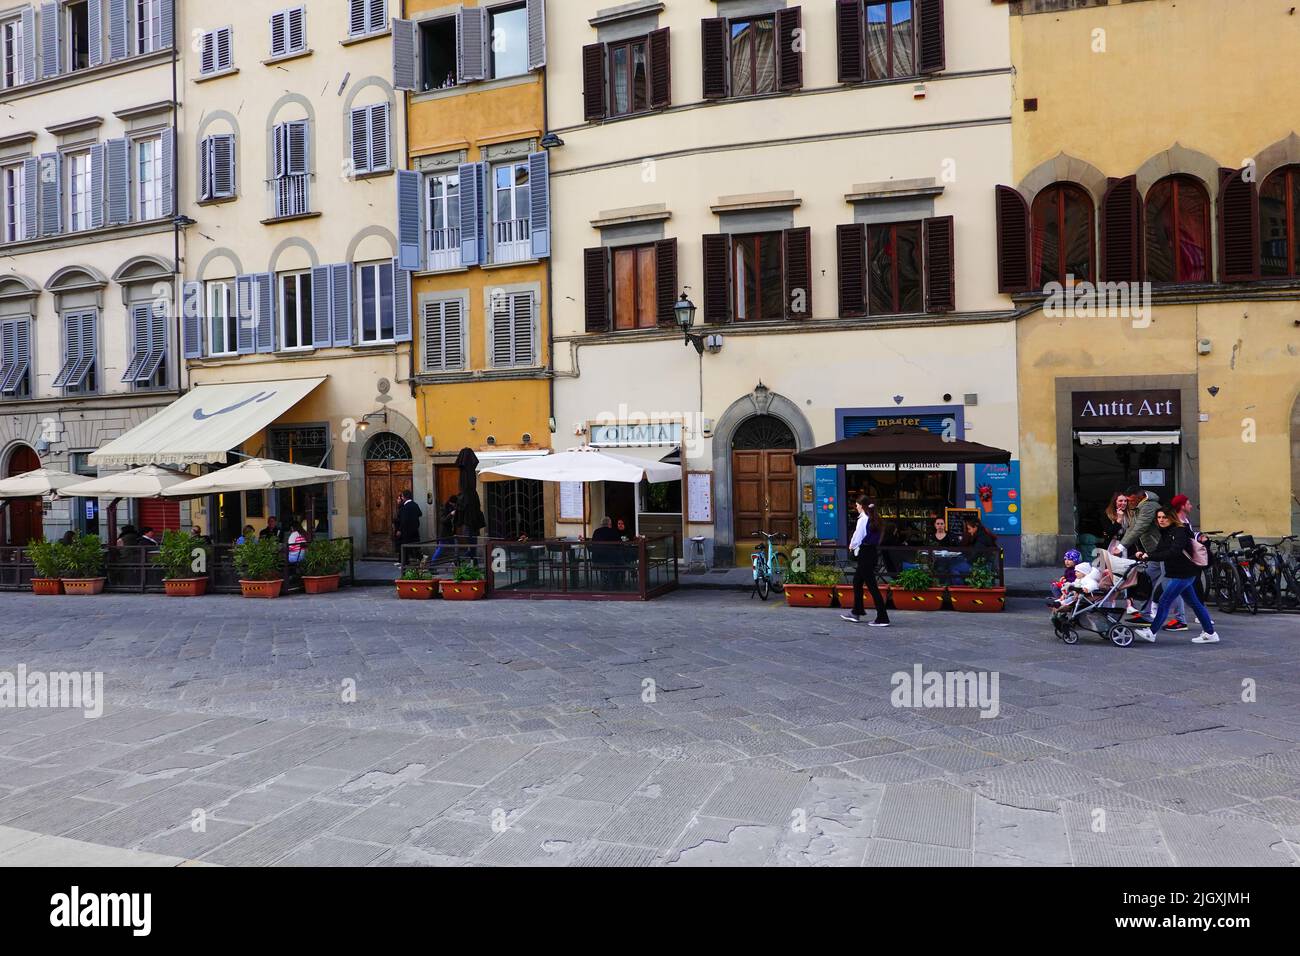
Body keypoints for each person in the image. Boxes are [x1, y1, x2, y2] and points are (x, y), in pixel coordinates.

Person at [1134, 508, 1220, 644]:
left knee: (1164, 601)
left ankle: (1151, 632)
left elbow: (1174, 551)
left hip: (1184, 573)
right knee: (1195, 603)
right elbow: (1160, 550)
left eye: (1164, 517)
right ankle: (1210, 633)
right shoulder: (1166, 532)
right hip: (1179, 573)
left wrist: (1150, 556)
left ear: (1172, 517)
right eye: (1159, 517)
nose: (1161, 520)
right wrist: (1144, 554)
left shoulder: (1180, 531)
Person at [1120, 487, 1181, 627]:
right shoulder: (1140, 506)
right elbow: (1133, 528)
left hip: (1162, 552)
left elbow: (1140, 527)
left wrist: (1121, 547)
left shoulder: (1148, 506)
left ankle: (1180, 620)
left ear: (1139, 497)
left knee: (1170, 586)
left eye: (1130, 500)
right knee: (1148, 579)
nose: (1128, 503)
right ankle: (1146, 615)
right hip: (1153, 552)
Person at [842, 497, 890, 628]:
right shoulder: (872, 518)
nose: (856, 507)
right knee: (857, 582)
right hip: (870, 553)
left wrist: (851, 546)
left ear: (862, 506)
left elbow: (858, 535)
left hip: (865, 554)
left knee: (872, 587)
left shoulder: (863, 519)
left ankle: (882, 617)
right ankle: (856, 611)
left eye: (857, 505)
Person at [395, 490, 423, 560]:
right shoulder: (415, 504)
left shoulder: (405, 507)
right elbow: (420, 513)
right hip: (415, 530)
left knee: (405, 548)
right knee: (416, 547)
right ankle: (420, 561)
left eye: (402, 496)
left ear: (404, 497)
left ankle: (404, 563)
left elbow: (404, 520)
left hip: (406, 531)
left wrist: (399, 530)